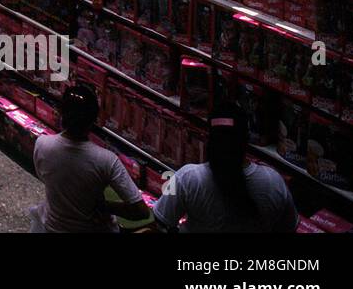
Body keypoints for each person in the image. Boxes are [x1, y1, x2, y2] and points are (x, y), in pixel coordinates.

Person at [152, 101, 298, 233]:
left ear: (209, 140)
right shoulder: (273, 182)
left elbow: (160, 221)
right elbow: (290, 226)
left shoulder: (188, 178)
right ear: (246, 139)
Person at [32, 85, 150, 232]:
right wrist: (103, 206)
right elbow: (141, 212)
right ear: (95, 119)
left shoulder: (42, 144)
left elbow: (44, 177)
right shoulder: (107, 161)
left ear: (61, 113)